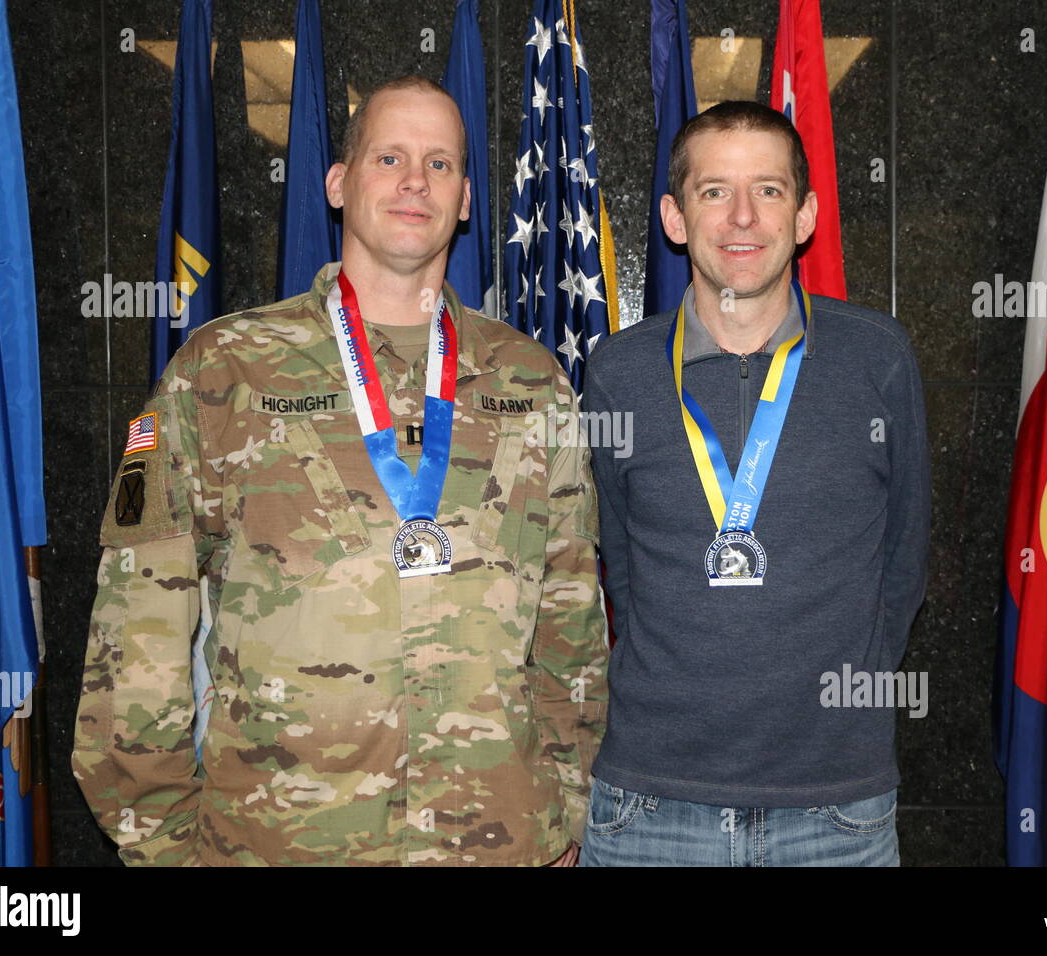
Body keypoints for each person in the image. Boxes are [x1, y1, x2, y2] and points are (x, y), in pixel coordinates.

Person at [72, 75, 608, 867]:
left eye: (440, 164)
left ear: (465, 200)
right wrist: (163, 840)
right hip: (277, 843)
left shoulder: (531, 382)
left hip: (495, 841)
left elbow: (573, 629)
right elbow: (137, 622)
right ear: (337, 182)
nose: (415, 182)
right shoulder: (221, 372)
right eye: (389, 156)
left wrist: (561, 810)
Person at [580, 100, 930, 866]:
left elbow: (903, 562)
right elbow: (619, 570)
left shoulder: (879, 358)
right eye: (714, 192)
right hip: (650, 806)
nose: (743, 217)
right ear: (674, 217)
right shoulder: (619, 371)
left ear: (804, 215)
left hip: (837, 811)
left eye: (768, 190)